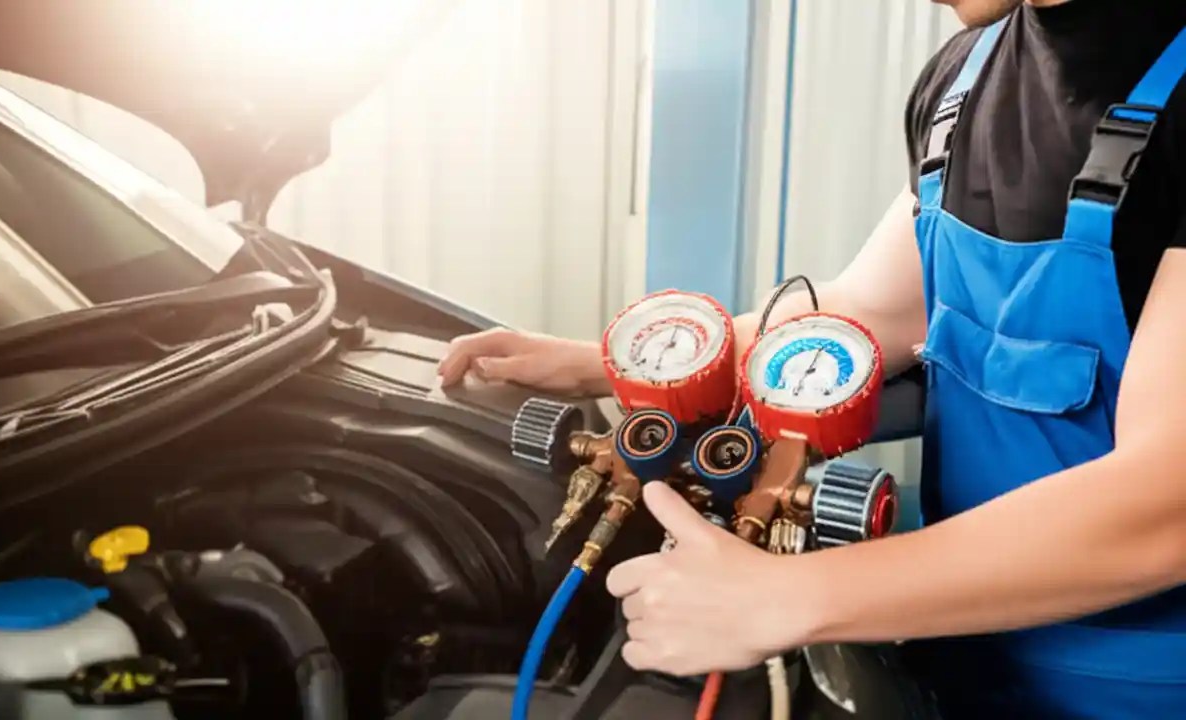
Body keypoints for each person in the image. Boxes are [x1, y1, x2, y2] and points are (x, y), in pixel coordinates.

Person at [439, 0, 1186, 716]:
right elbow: (874, 309)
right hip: (950, 634)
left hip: (1137, 689)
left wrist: (786, 597)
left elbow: (1167, 502)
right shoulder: (963, 78)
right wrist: (622, 364)